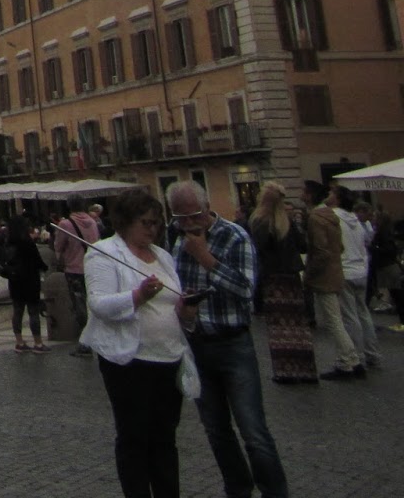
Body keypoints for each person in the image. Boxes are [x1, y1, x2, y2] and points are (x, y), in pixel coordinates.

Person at [165, 180, 288, 498]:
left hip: (234, 344)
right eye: (182, 218)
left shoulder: (235, 236)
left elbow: (246, 289)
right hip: (198, 344)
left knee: (253, 429)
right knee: (216, 430)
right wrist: (184, 310)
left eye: (195, 216)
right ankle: (237, 486)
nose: (189, 224)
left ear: (207, 208)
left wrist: (206, 257)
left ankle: (275, 491)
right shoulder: (178, 241)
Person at [82, 187, 193, 498]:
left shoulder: (163, 256)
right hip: (129, 360)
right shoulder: (104, 253)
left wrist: (187, 309)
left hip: (169, 358)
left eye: (156, 223)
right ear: (125, 222)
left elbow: (173, 302)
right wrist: (138, 296)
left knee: (165, 437)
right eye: (145, 222)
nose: (152, 229)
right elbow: (99, 304)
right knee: (134, 437)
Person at [248, 182, 316, 384]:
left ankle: (285, 370)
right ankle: (305, 369)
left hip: (272, 279)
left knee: (279, 327)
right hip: (292, 277)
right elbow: (303, 245)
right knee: (298, 325)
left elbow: (258, 250)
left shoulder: (259, 221)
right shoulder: (286, 221)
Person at [303, 179, 362, 379]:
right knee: (341, 318)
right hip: (337, 270)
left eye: (304, 192)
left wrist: (309, 275)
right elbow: (340, 247)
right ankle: (352, 359)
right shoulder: (331, 215)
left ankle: (349, 361)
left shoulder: (315, 217)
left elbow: (320, 250)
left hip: (324, 275)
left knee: (334, 321)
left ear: (309, 195)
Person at [331, 186, 381, 371]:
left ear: (337, 199)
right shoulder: (356, 221)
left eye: (332, 194)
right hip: (361, 270)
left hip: (346, 270)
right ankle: (373, 353)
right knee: (364, 313)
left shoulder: (335, 217)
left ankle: (356, 355)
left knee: (350, 316)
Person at [54, 198, 103, 357]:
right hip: (93, 268)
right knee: (93, 303)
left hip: (74, 269)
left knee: (79, 306)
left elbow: (59, 246)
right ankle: (98, 338)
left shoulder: (65, 224)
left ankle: (85, 344)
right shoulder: (93, 222)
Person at [1, 215, 48, 353]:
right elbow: (37, 260)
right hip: (30, 280)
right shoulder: (27, 242)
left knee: (17, 311)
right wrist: (45, 267)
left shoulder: (8, 242)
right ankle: (38, 343)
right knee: (33, 312)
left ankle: (19, 341)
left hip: (15, 280)